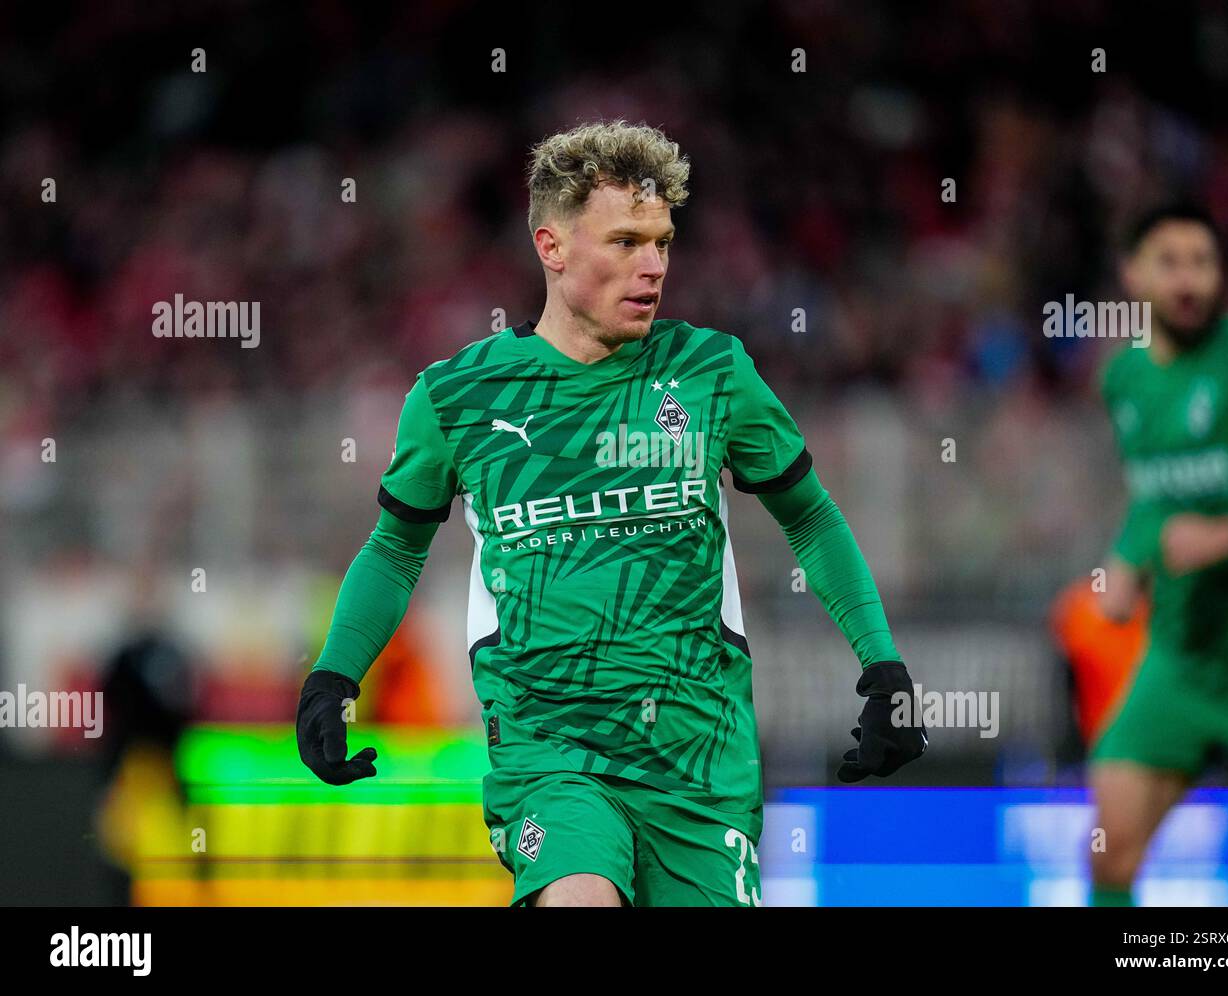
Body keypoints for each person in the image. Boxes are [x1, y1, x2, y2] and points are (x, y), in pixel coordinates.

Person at [296, 120, 925, 907]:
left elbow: (811, 519)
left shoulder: (711, 372)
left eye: (662, 241)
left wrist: (882, 665)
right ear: (552, 247)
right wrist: (332, 677)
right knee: (581, 898)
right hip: (550, 749)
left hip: (700, 758)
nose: (654, 266)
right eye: (625, 242)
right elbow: (395, 551)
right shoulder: (455, 398)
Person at [1090, 202, 1228, 906]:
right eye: (1170, 261)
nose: (1189, 280)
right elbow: (1152, 497)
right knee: (1111, 840)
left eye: (1203, 262)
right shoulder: (1124, 382)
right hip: (1180, 655)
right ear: (1133, 273)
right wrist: (1126, 557)